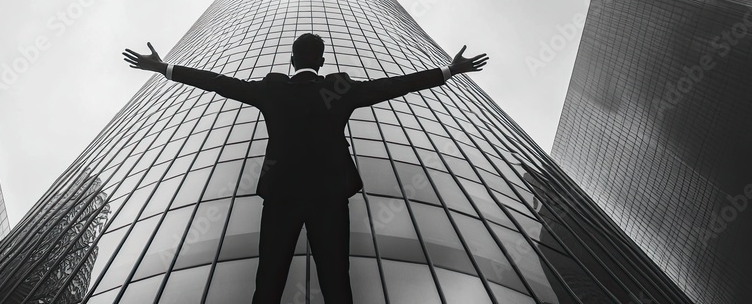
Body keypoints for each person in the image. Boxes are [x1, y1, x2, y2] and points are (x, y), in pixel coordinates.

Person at [122, 33, 488, 304]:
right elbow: (395, 87)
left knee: (268, 282)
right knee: (335, 282)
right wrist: (449, 70)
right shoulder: (341, 88)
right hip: (328, 196)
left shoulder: (272, 89)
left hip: (282, 195)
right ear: (322, 62)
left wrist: (163, 68)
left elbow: (219, 84)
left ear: (293, 61)